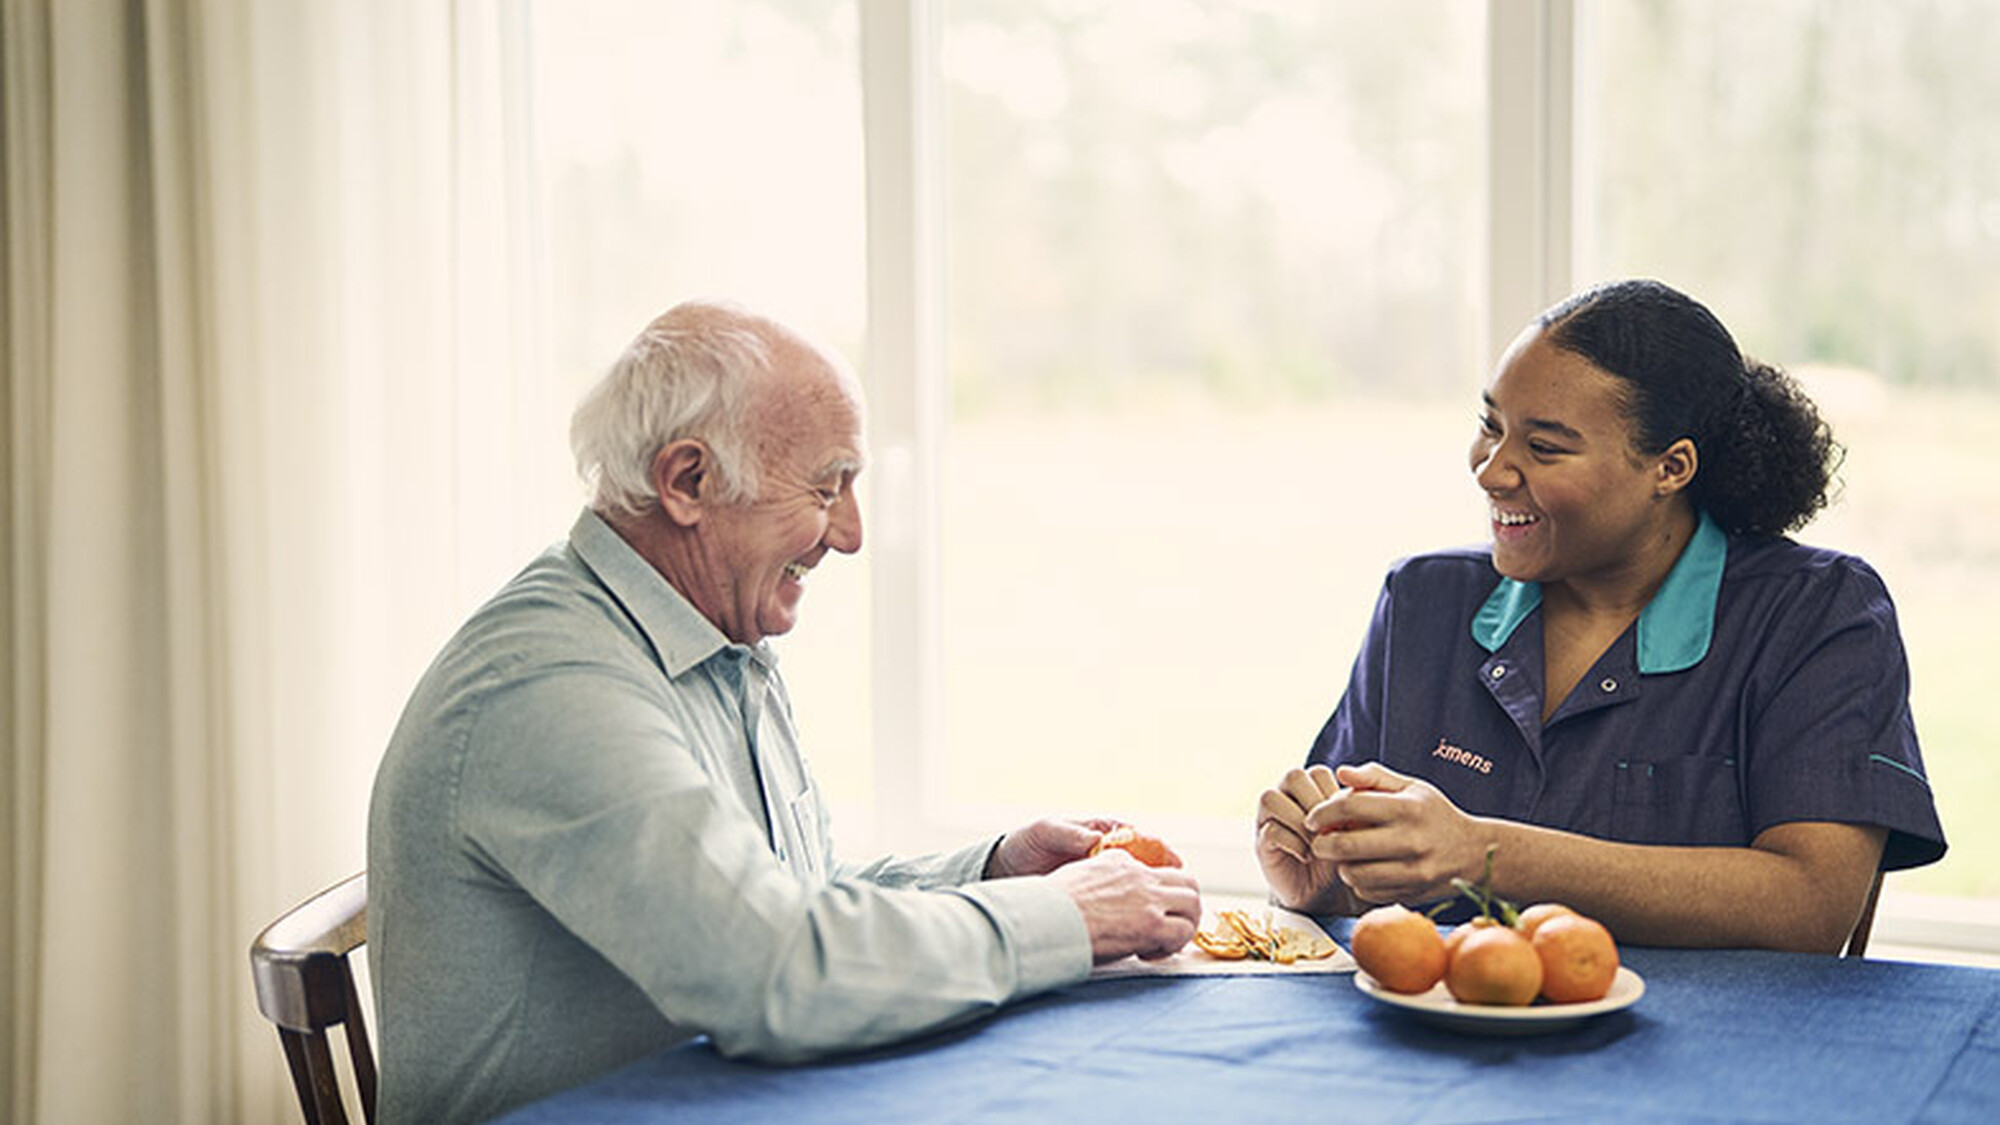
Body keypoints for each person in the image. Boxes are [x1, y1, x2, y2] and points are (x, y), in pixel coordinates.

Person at [368, 300, 1201, 1125]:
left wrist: (991, 870)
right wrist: (1067, 916)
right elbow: (777, 970)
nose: (850, 532)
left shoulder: (712, 642)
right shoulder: (549, 682)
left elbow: (790, 900)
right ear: (687, 481)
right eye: (826, 485)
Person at [1255, 279, 1945, 952]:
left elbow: (1812, 905)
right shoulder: (1421, 602)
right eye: (1490, 426)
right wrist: (1326, 880)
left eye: (1544, 446)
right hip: (1442, 1050)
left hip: (1716, 1056)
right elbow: (1360, 862)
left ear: (1670, 468)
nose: (1492, 470)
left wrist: (1481, 850)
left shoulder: (1817, 614)